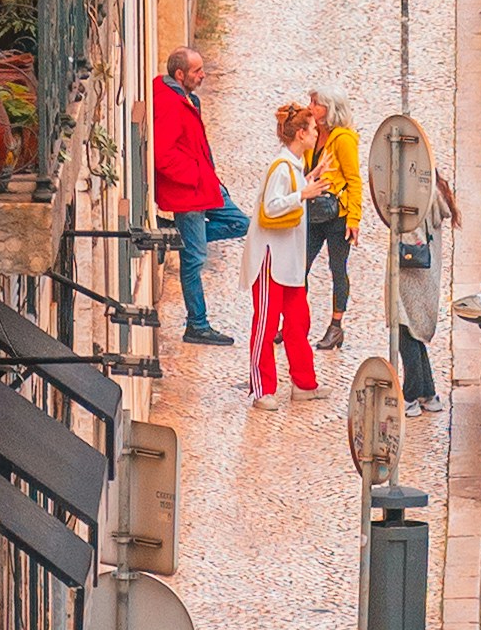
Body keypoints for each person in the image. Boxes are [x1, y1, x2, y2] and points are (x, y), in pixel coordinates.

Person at [149, 48, 245, 346]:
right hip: (189, 192)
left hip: (205, 185)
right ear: (180, 75)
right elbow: (163, 155)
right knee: (195, 259)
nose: (203, 75)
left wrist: (208, 177)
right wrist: (195, 176)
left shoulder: (187, 97)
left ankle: (173, 235)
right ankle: (197, 325)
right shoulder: (169, 102)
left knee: (241, 224)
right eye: (197, 71)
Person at [247, 101, 324, 401]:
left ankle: (304, 383)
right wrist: (302, 193)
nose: (317, 133)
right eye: (314, 129)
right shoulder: (280, 167)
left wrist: (308, 181)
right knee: (266, 324)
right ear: (301, 134)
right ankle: (262, 389)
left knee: (297, 320)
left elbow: (290, 193)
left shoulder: (294, 166)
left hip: (289, 259)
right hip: (271, 258)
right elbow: (272, 206)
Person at [393, 166, 461, 414]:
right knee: (414, 333)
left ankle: (410, 396)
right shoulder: (435, 192)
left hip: (409, 278)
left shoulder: (415, 197)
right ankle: (427, 393)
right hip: (426, 277)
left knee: (405, 332)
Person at [307, 89, 362, 352]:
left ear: (329, 109)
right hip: (313, 210)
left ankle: (336, 326)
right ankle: (295, 322)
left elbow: (354, 180)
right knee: (299, 266)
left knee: (337, 268)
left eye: (315, 103)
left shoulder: (343, 139)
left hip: (336, 215)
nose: (311, 107)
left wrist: (354, 218)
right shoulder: (314, 134)